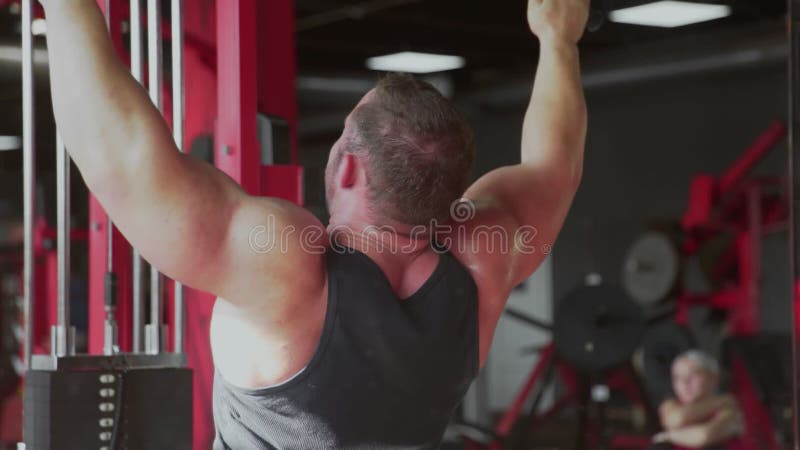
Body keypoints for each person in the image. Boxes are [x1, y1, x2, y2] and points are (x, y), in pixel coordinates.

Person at [38, 0, 588, 447]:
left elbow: (122, 159)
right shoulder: (484, 262)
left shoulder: (286, 267)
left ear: (346, 166)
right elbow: (555, 168)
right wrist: (558, 39)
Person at [653, 350, 744, 450]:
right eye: (677, 377)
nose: (684, 383)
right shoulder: (670, 404)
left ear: (713, 378)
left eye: (693, 375)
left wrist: (668, 436)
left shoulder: (729, 410)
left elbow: (704, 435)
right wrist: (721, 401)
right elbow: (677, 419)